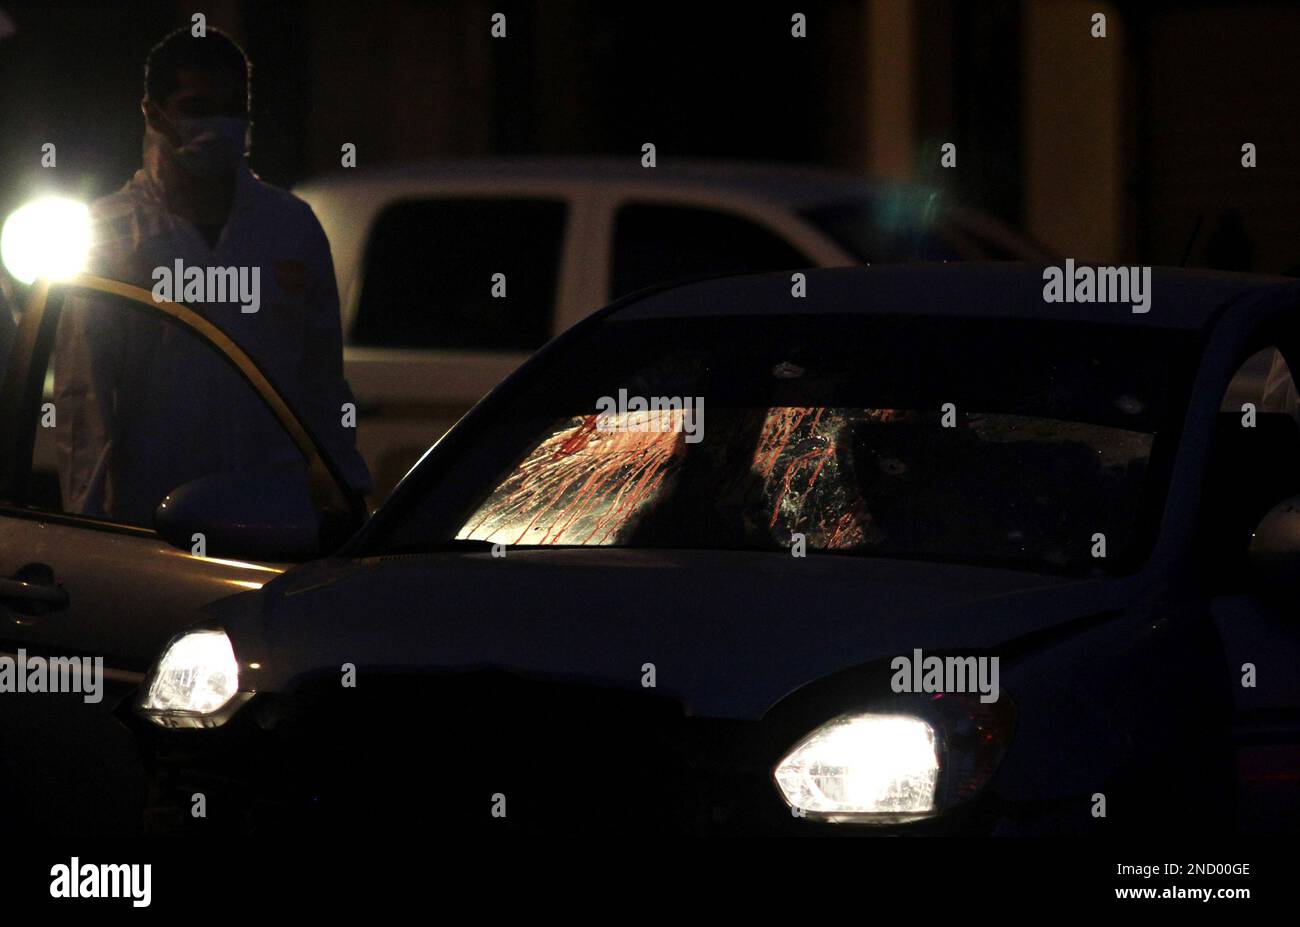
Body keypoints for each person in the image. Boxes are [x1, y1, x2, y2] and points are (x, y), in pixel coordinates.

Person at [55, 27, 369, 525]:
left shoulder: (290, 226)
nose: (220, 125)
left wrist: (344, 489)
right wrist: (86, 524)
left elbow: (323, 379)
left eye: (233, 107)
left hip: (274, 517)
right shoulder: (110, 234)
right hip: (150, 523)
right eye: (198, 107)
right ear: (154, 114)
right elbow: (85, 400)